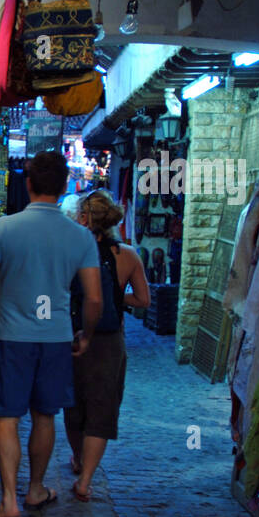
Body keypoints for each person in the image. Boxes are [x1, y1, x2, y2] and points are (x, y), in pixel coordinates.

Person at [0, 150, 102, 517]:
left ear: (27, 184)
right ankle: (36, 489)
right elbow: (93, 299)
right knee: (45, 416)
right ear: (63, 188)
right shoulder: (80, 236)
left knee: (6, 417)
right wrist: (86, 334)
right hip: (55, 338)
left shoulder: (5, 229)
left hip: (11, 336)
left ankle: (8, 500)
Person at [64, 191, 151, 501]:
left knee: (73, 407)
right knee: (102, 408)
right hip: (110, 343)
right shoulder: (128, 255)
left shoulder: (71, 252)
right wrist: (115, 298)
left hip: (73, 338)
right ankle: (86, 481)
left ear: (85, 218)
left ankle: (77, 458)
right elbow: (143, 300)